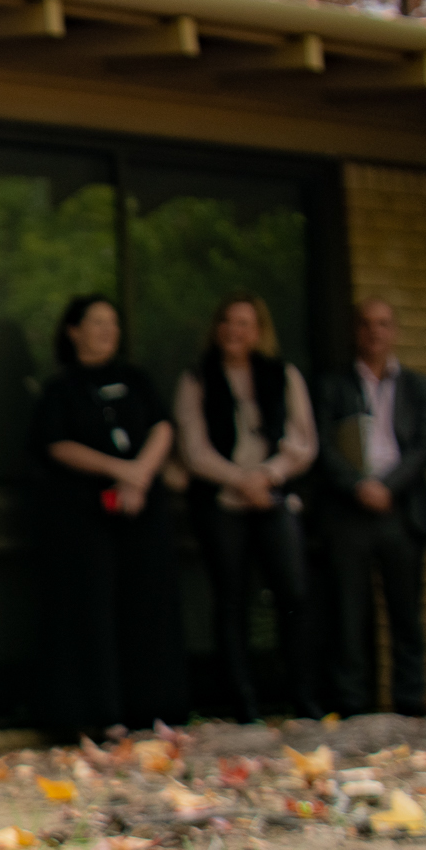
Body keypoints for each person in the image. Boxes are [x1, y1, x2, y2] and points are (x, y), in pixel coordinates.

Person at [29, 294, 188, 736]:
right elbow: (57, 444)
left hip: (142, 511)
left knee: (148, 606)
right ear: (73, 330)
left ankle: (154, 708)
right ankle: (102, 713)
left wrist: (139, 476)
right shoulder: (60, 389)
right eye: (96, 322)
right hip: (84, 518)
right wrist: (119, 470)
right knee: (94, 611)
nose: (106, 331)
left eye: (112, 323)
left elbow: (162, 427)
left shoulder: (136, 379)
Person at [174, 293, 321, 723]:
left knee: (292, 594)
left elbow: (304, 441)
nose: (234, 331)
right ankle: (244, 704)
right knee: (231, 601)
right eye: (227, 321)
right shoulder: (197, 378)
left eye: (244, 323)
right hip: (222, 502)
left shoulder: (283, 374)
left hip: (273, 497)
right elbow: (193, 449)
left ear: (259, 331)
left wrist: (268, 476)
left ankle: (304, 698)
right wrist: (241, 480)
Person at [316, 299, 426, 716]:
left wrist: (388, 487)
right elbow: (324, 446)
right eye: (367, 324)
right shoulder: (333, 385)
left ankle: (409, 702)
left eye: (383, 324)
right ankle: (352, 706)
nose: (375, 332)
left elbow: (424, 446)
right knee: (349, 616)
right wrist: (359, 487)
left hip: (401, 510)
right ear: (356, 332)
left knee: (406, 614)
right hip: (350, 511)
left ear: (395, 331)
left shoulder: (417, 386)